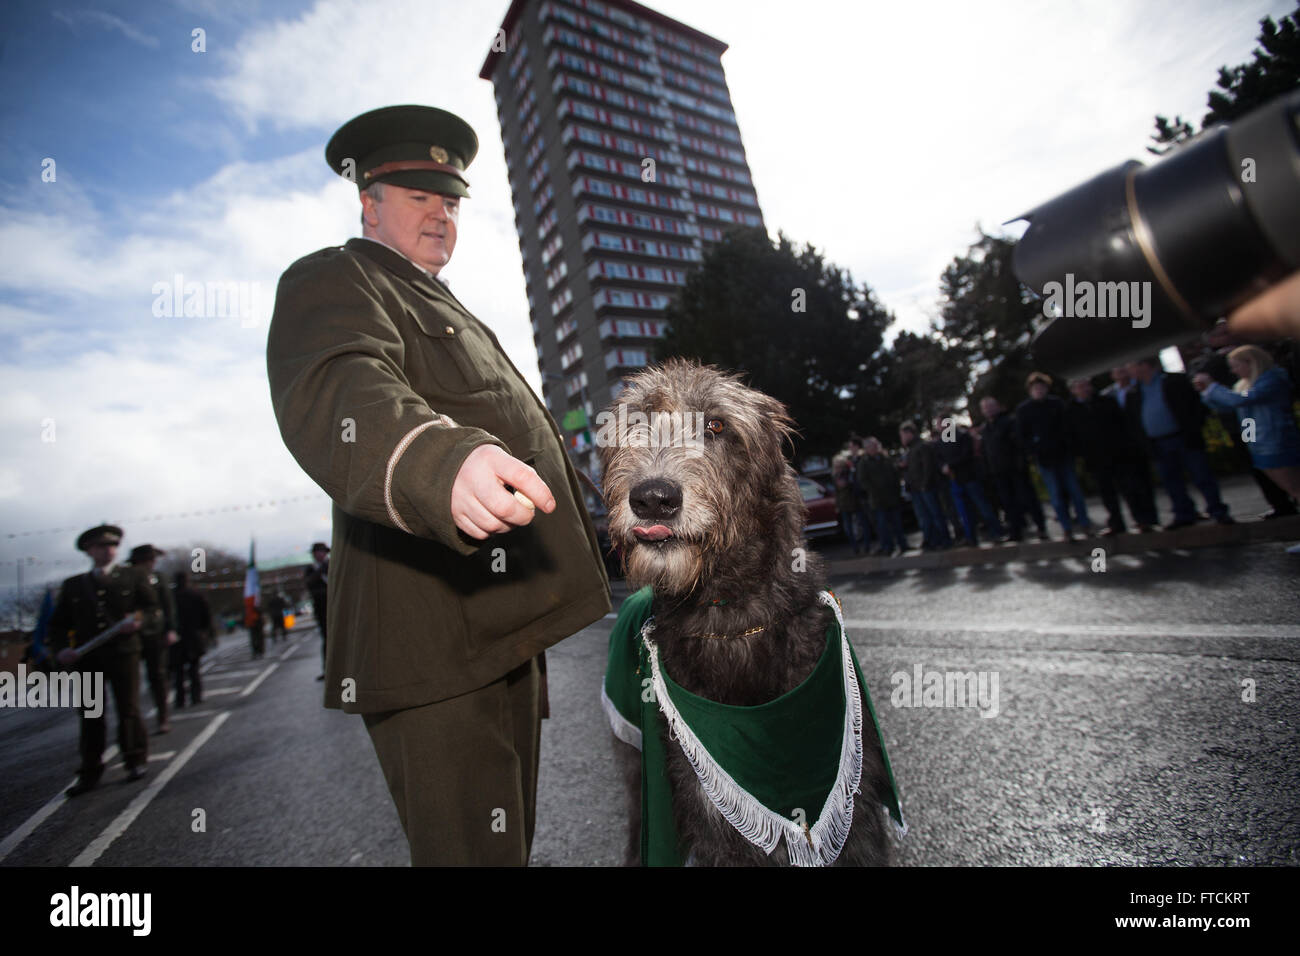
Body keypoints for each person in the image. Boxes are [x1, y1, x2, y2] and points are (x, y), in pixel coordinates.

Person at [266, 105, 610, 866]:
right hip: (430, 638)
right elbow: (338, 386)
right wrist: (435, 459)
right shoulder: (337, 277)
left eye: (450, 199)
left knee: (505, 847)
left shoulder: (440, 301)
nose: (440, 213)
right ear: (369, 202)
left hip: (495, 624)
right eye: (419, 195)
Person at [47, 525, 159, 796]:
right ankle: (90, 770)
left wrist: (138, 620)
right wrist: (61, 649)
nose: (107, 550)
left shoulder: (133, 576)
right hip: (87, 657)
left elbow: (152, 608)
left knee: (128, 708)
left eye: (111, 546)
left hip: (123, 652)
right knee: (90, 713)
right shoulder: (74, 585)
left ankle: (134, 759)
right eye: (100, 546)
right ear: (88, 551)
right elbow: (58, 624)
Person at [1193, 322, 1297, 519]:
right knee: (1289, 488)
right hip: (1257, 441)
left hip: (1276, 440)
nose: (1233, 371)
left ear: (1251, 362)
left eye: (1236, 366)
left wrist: (1213, 387)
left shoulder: (1271, 378)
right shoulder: (1244, 383)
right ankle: (1284, 511)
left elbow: (1242, 400)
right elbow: (1231, 405)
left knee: (1294, 486)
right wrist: (1207, 393)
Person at [1124, 356, 1233, 530]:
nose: (1128, 370)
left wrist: (1194, 427)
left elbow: (1196, 405)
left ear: (1144, 365)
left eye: (1131, 365)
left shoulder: (1175, 381)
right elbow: (1134, 421)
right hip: (1158, 443)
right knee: (1171, 481)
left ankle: (1218, 511)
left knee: (1202, 476)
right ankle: (1184, 514)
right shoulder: (1134, 392)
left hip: (1183, 437)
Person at [1065, 378, 1159, 535]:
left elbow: (1123, 425)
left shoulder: (1106, 402)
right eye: (1079, 386)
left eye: (1086, 385)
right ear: (1073, 390)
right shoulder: (1070, 410)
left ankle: (1141, 520)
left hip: (1118, 454)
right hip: (1095, 458)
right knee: (1107, 493)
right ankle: (1116, 523)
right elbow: (1070, 436)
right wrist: (1080, 454)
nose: (1084, 389)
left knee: (1130, 489)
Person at [1016, 372, 1093, 540]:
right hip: (1044, 460)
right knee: (1056, 496)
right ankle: (1066, 529)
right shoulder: (1024, 410)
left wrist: (1070, 448)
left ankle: (1085, 524)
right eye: (1035, 387)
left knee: (1075, 492)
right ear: (1030, 390)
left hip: (1063, 456)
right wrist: (1034, 451)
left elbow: (1068, 429)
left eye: (1041, 387)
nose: (1039, 390)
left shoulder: (1057, 404)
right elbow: (1023, 437)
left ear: (1046, 388)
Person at [978, 396, 1046, 542]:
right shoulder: (985, 429)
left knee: (1028, 499)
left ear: (997, 406)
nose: (988, 410)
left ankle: (1041, 528)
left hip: (1016, 469)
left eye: (990, 406)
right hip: (999, 472)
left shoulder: (1010, 422)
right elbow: (985, 451)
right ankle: (1015, 532)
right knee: (1008, 503)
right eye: (985, 408)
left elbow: (1020, 444)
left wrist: (1021, 463)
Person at [933, 412, 1006, 546]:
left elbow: (966, 455)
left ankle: (997, 532)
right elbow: (939, 459)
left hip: (969, 477)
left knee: (982, 506)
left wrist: (950, 465)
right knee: (964, 512)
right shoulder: (940, 442)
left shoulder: (962, 436)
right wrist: (943, 466)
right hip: (954, 480)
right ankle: (971, 537)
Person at [127, 544, 178, 734]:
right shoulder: (126, 579)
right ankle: (132, 724)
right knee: (130, 681)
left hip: (155, 632)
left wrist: (170, 629)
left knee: (158, 675)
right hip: (132, 634)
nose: (151, 563)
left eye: (152, 560)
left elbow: (168, 605)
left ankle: (163, 716)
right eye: (147, 560)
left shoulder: (159, 579)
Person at [899, 422, 950, 550]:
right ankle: (930, 539)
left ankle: (944, 539)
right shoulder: (910, 450)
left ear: (909, 434)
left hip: (925, 487)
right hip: (916, 488)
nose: (902, 439)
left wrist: (925, 484)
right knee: (923, 516)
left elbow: (928, 467)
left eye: (903, 435)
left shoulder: (922, 446)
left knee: (935, 514)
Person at [858, 437, 907, 555]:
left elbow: (895, 475)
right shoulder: (863, 463)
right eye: (872, 446)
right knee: (883, 526)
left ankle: (903, 545)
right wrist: (874, 490)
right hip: (877, 500)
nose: (875, 448)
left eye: (876, 446)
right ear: (867, 448)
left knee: (897, 524)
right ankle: (888, 547)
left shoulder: (885, 459)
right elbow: (863, 481)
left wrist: (896, 490)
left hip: (891, 497)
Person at [171, 571, 211, 708]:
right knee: (194, 668)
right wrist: (205, 630)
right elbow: (206, 614)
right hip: (194, 635)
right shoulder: (196, 594)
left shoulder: (171, 597)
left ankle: (180, 699)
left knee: (178, 671)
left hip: (177, 637)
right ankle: (196, 696)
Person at [304, 542, 329, 680]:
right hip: (321, 607)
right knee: (326, 638)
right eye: (317, 552)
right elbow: (309, 583)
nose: (320, 554)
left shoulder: (331, 564)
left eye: (322, 551)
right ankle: (327, 669)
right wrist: (320, 570)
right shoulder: (311, 568)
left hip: (333, 604)